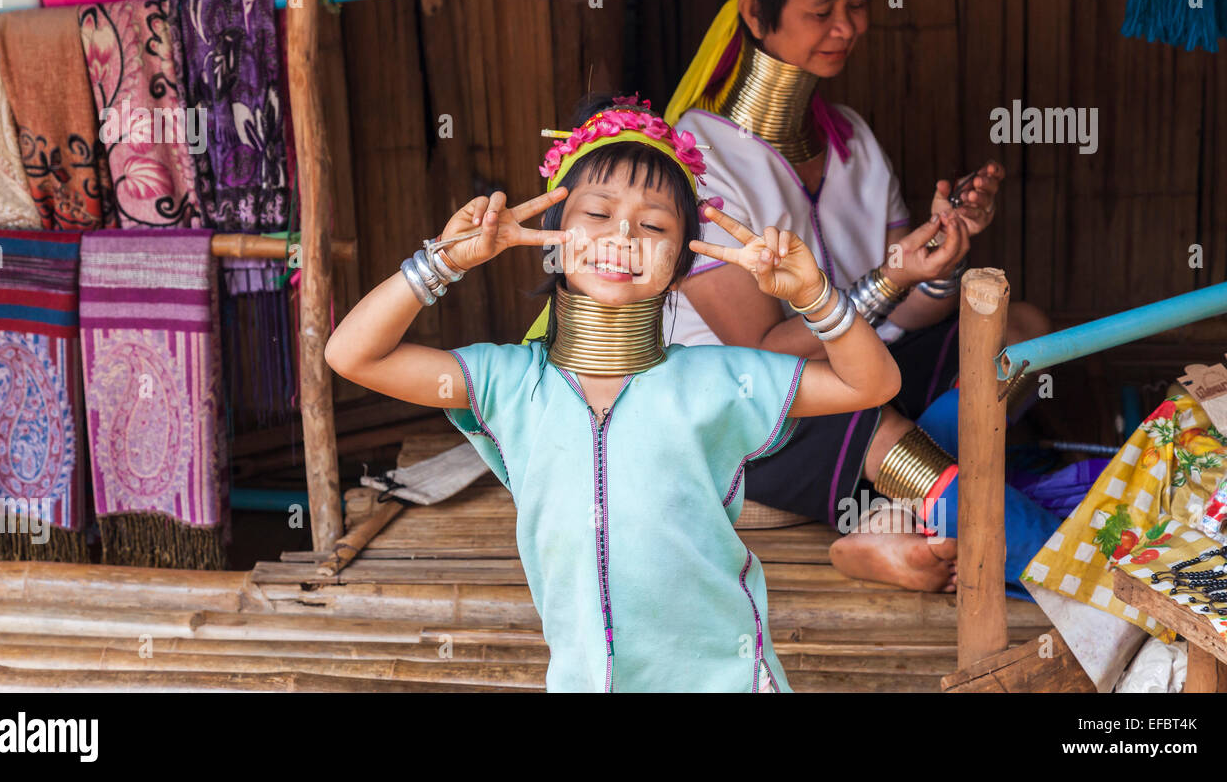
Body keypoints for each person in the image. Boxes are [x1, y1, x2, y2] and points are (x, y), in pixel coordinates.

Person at [324, 96, 901, 692]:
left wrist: (815, 297)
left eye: (654, 225)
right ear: (552, 236)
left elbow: (873, 383)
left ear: (681, 265)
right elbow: (350, 355)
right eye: (597, 213)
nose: (623, 235)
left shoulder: (717, 383)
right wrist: (444, 263)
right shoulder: (509, 384)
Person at [664, 0, 1059, 594]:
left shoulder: (851, 140)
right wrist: (888, 280)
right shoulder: (698, 160)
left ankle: (882, 523)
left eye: (857, 5)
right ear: (756, 16)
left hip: (862, 369)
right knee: (882, 427)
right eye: (822, 11)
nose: (847, 27)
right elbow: (765, 352)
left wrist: (936, 262)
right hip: (749, 408)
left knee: (1021, 332)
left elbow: (915, 312)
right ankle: (1077, 574)